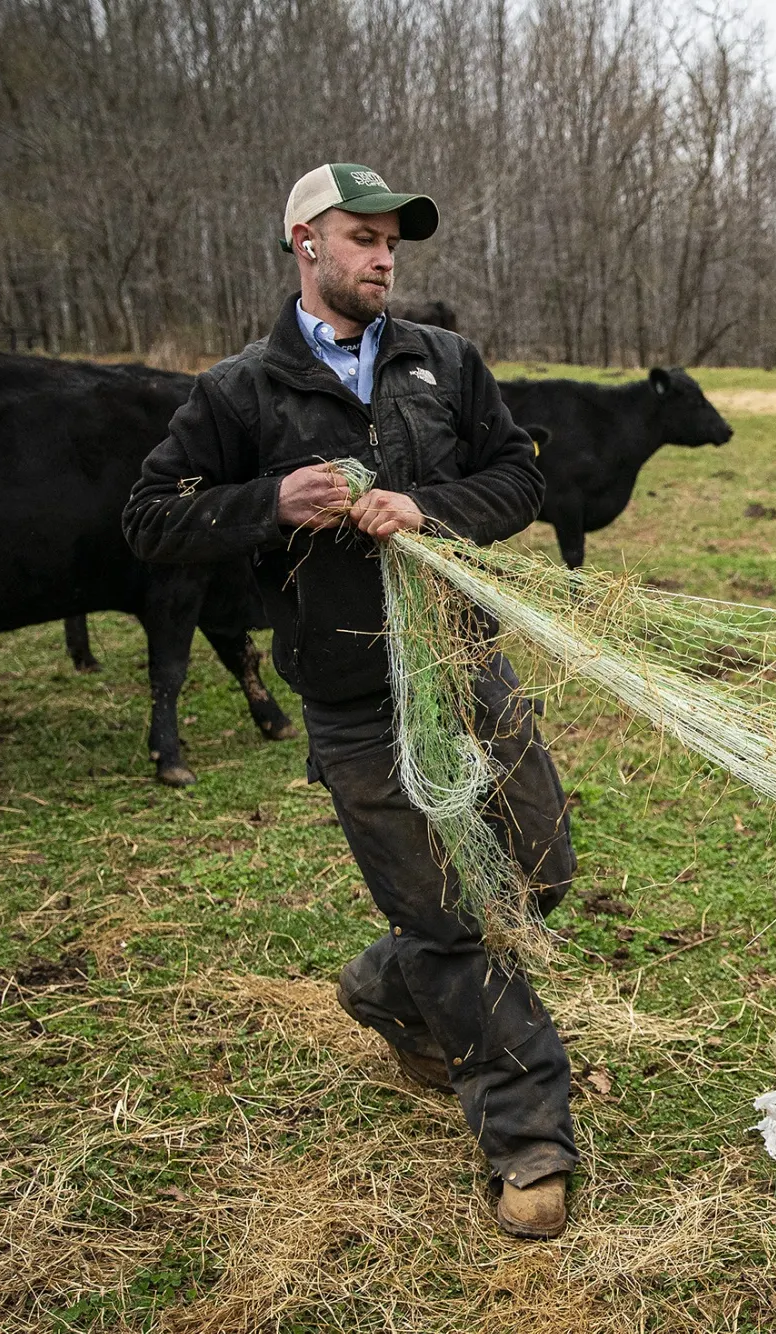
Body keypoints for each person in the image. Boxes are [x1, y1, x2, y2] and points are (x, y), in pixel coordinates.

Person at [122, 163, 578, 1240]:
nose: (382, 257)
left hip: (465, 666)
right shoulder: (240, 391)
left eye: (393, 243)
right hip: (351, 696)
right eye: (361, 238)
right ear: (304, 243)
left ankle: (387, 984)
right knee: (450, 914)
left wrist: (428, 503)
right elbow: (149, 516)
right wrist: (265, 502)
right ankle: (527, 1136)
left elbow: (517, 478)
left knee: (539, 869)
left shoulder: (444, 363)